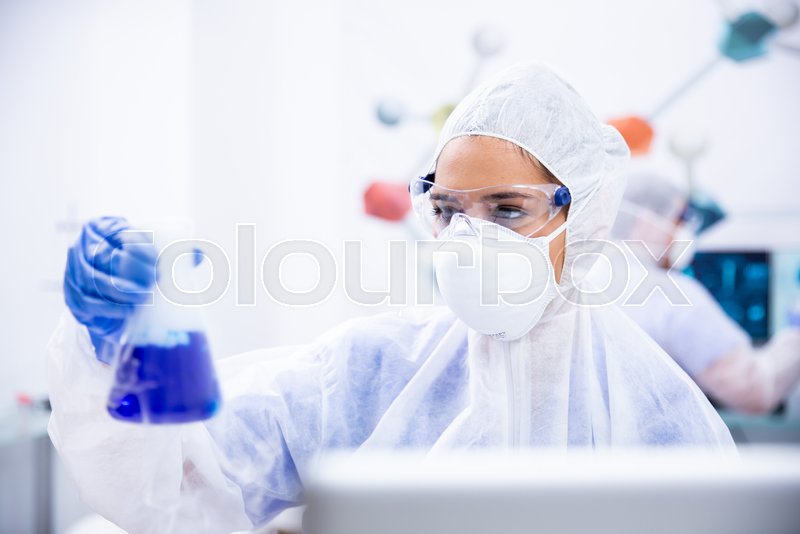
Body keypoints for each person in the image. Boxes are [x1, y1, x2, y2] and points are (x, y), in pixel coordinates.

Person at [48, 62, 734, 534]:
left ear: (580, 218)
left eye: (507, 209)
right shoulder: (371, 369)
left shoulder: (661, 413)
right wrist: (109, 350)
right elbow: (176, 488)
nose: (471, 239)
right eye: (447, 209)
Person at [608, 174, 800, 414]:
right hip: (657, 451)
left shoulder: (579, 283)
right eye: (680, 219)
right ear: (646, 221)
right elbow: (754, 390)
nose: (684, 231)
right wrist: (796, 333)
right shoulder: (670, 296)